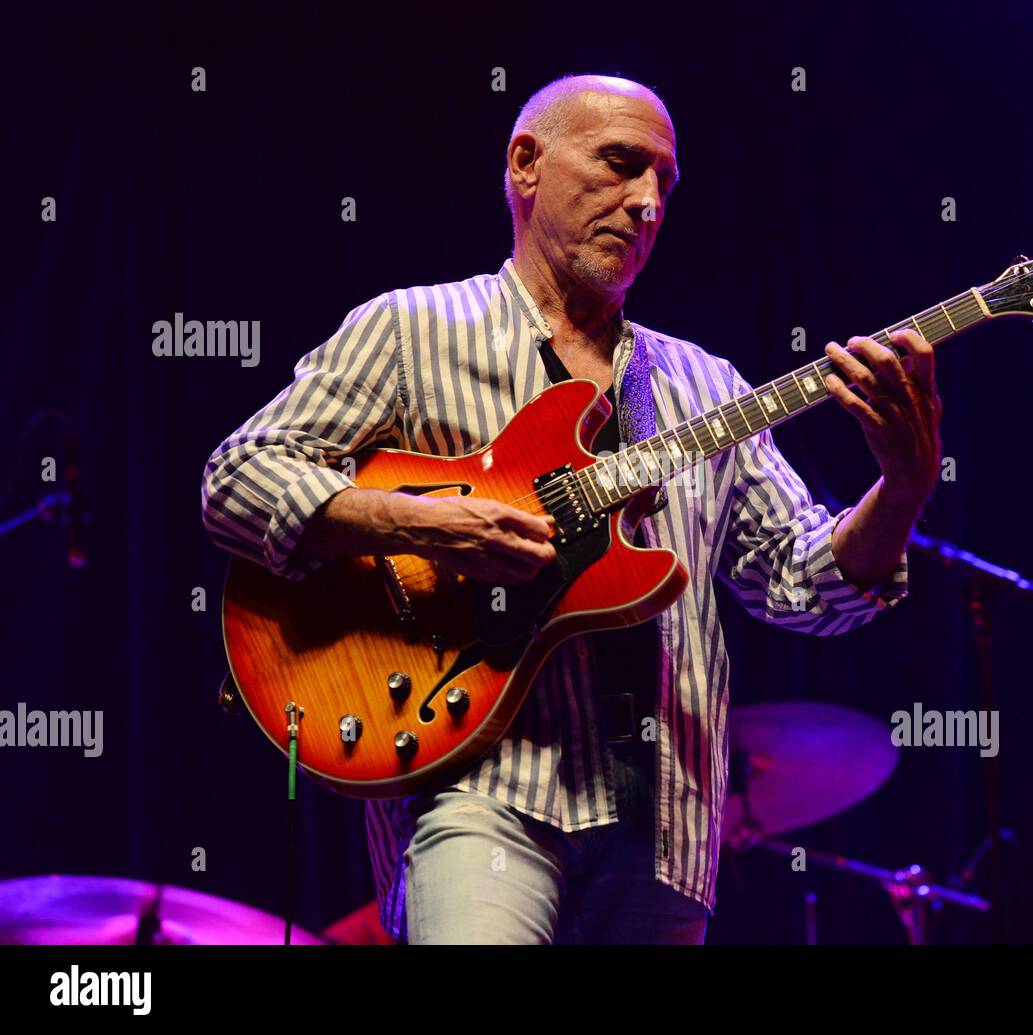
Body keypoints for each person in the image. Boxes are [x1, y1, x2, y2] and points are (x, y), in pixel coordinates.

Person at [201, 73, 941, 944]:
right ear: (526, 164)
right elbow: (238, 478)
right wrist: (426, 523)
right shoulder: (410, 329)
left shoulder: (704, 387)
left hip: (661, 823)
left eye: (664, 184)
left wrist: (902, 488)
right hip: (472, 785)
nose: (647, 205)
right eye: (621, 165)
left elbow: (805, 588)